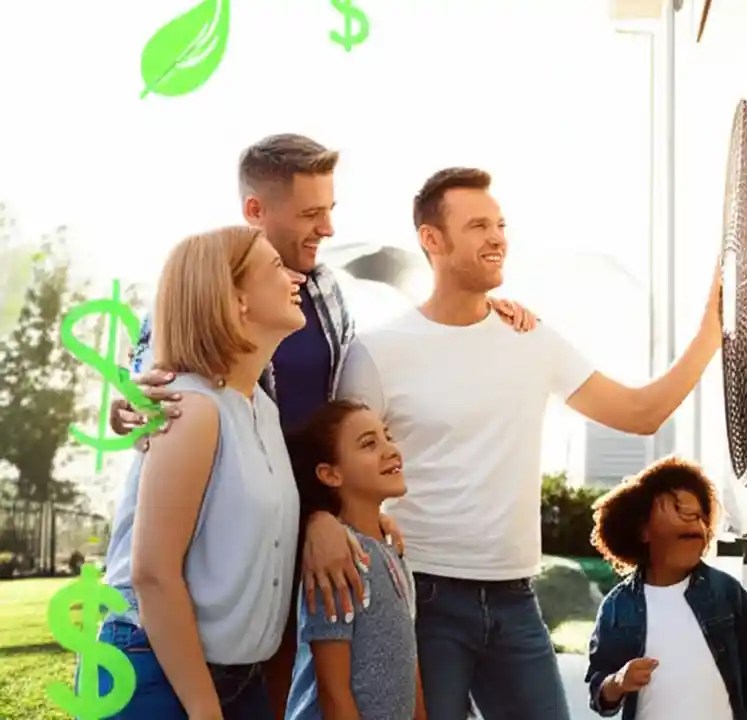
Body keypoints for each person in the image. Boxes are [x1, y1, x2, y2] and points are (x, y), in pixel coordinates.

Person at [106, 134, 537, 715]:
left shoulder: (326, 294)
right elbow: (155, 400)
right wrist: (131, 408)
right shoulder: (201, 325)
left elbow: (348, 403)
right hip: (210, 573)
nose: (328, 227)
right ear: (256, 211)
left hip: (281, 541)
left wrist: (485, 314)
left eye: (331, 208)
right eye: (312, 213)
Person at [336, 166, 724, 719]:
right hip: (422, 597)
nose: (496, 237)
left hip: (516, 597)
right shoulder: (377, 350)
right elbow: (348, 477)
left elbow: (641, 413)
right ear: (432, 240)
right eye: (477, 226)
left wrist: (712, 329)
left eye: (499, 223)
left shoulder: (531, 339)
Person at [87, 226, 305, 718]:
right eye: (275, 267)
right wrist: (205, 709)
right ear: (236, 299)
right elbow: (152, 574)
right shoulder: (193, 407)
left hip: (234, 675)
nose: (293, 278)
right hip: (150, 668)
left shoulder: (261, 410)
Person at [583, 456, 747, 720]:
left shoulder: (727, 593)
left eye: (699, 517)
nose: (694, 525)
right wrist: (619, 681)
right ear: (643, 531)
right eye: (679, 511)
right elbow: (600, 694)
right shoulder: (618, 608)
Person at [283, 400, 427, 720]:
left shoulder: (394, 553)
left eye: (387, 436)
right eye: (369, 444)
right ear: (330, 474)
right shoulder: (336, 560)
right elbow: (333, 693)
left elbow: (409, 661)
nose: (390, 449)